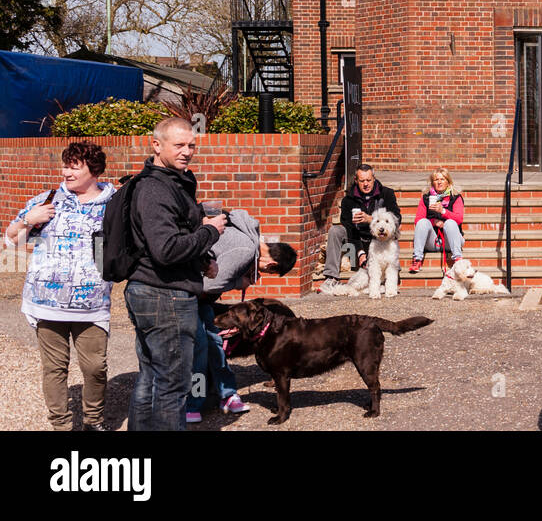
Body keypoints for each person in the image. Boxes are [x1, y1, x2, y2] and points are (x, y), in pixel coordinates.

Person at [4, 141, 115, 431]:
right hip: (45, 302)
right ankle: (61, 425)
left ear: (94, 170)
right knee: (54, 369)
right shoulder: (48, 200)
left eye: (73, 166)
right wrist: (29, 219)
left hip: (92, 304)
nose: (65, 172)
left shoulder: (113, 205)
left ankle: (93, 421)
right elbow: (11, 241)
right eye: (65, 165)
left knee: (95, 368)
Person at [125, 118, 226, 431]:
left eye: (191, 145)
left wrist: (201, 260)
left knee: (152, 377)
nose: (187, 152)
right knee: (172, 386)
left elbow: (172, 236)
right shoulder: (156, 188)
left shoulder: (172, 182)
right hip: (163, 296)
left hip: (151, 291)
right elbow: (165, 249)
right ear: (157, 145)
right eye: (178, 145)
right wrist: (210, 231)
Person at [187, 209, 297, 423]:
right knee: (200, 351)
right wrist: (239, 283)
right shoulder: (246, 250)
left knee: (214, 344)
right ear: (271, 265)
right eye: (267, 272)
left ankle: (227, 395)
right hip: (191, 297)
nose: (260, 274)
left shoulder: (248, 236)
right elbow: (208, 286)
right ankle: (193, 404)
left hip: (199, 299)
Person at [320, 164, 399, 293]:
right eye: (362, 181)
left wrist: (371, 220)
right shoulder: (348, 200)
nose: (366, 184)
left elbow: (397, 218)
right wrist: (360, 252)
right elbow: (349, 228)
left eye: (369, 180)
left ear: (374, 178)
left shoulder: (387, 194)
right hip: (357, 240)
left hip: (379, 241)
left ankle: (387, 279)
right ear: (356, 181)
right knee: (335, 230)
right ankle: (331, 277)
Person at [410, 167, 465, 272]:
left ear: (448, 182)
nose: (439, 182)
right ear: (432, 183)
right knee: (423, 222)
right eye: (436, 180)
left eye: (442, 179)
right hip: (433, 241)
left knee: (450, 223)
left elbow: (459, 219)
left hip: (451, 240)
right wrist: (433, 222)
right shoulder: (426, 198)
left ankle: (458, 260)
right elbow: (418, 220)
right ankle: (417, 259)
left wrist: (443, 211)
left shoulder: (456, 197)